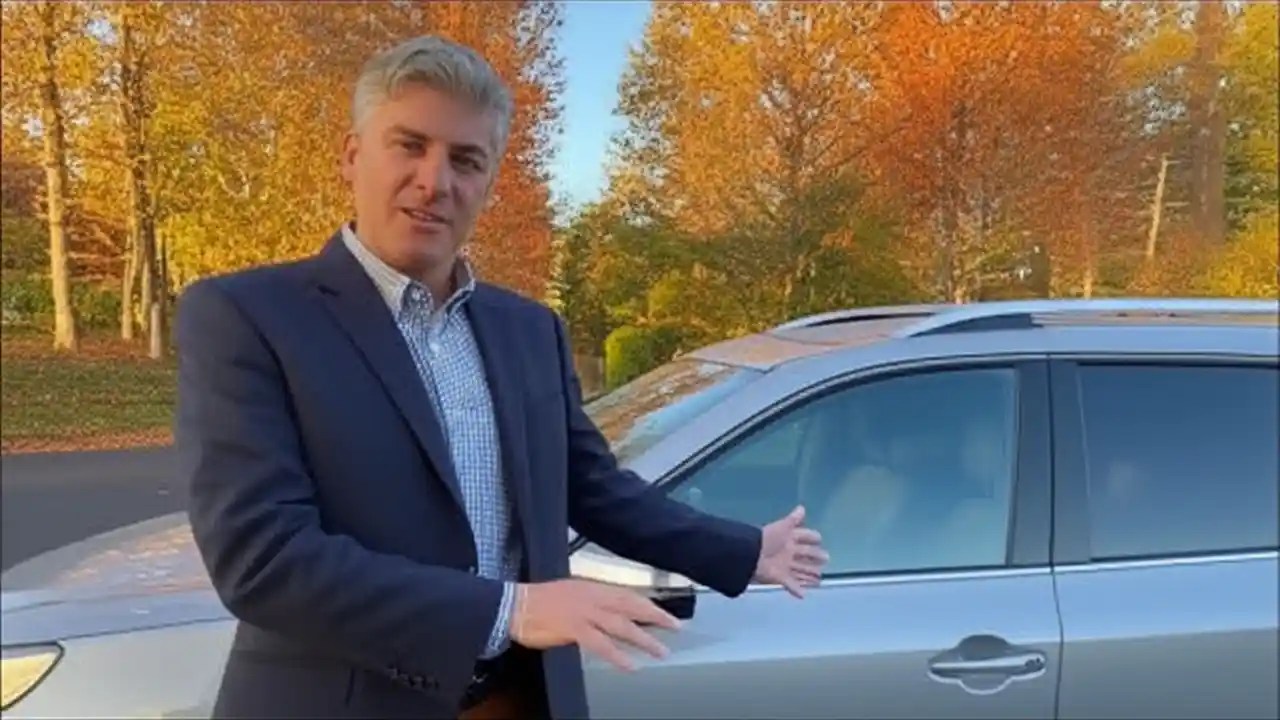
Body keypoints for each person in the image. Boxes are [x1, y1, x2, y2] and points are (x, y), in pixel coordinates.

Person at [176, 35, 828, 720]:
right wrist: (512, 608)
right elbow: (263, 560)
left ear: (488, 183)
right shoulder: (246, 317)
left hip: (517, 701)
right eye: (409, 145)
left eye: (465, 160)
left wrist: (744, 549)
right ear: (351, 156)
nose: (435, 181)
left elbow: (594, 489)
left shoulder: (529, 331)